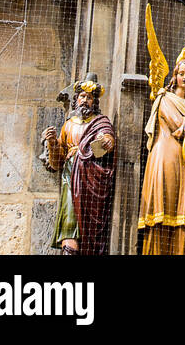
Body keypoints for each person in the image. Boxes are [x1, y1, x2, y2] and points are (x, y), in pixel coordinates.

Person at [138, 45, 185, 254]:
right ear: (175, 76)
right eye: (181, 73)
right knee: (165, 209)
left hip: (183, 161)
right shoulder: (165, 99)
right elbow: (180, 127)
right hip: (165, 157)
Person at [42, 73, 115, 256]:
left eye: (89, 97)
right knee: (70, 220)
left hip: (91, 178)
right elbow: (57, 162)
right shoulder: (68, 125)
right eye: (82, 96)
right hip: (70, 176)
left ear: (94, 101)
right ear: (76, 100)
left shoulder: (101, 122)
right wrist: (52, 143)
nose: (85, 100)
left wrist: (107, 141)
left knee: (89, 224)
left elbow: (108, 140)